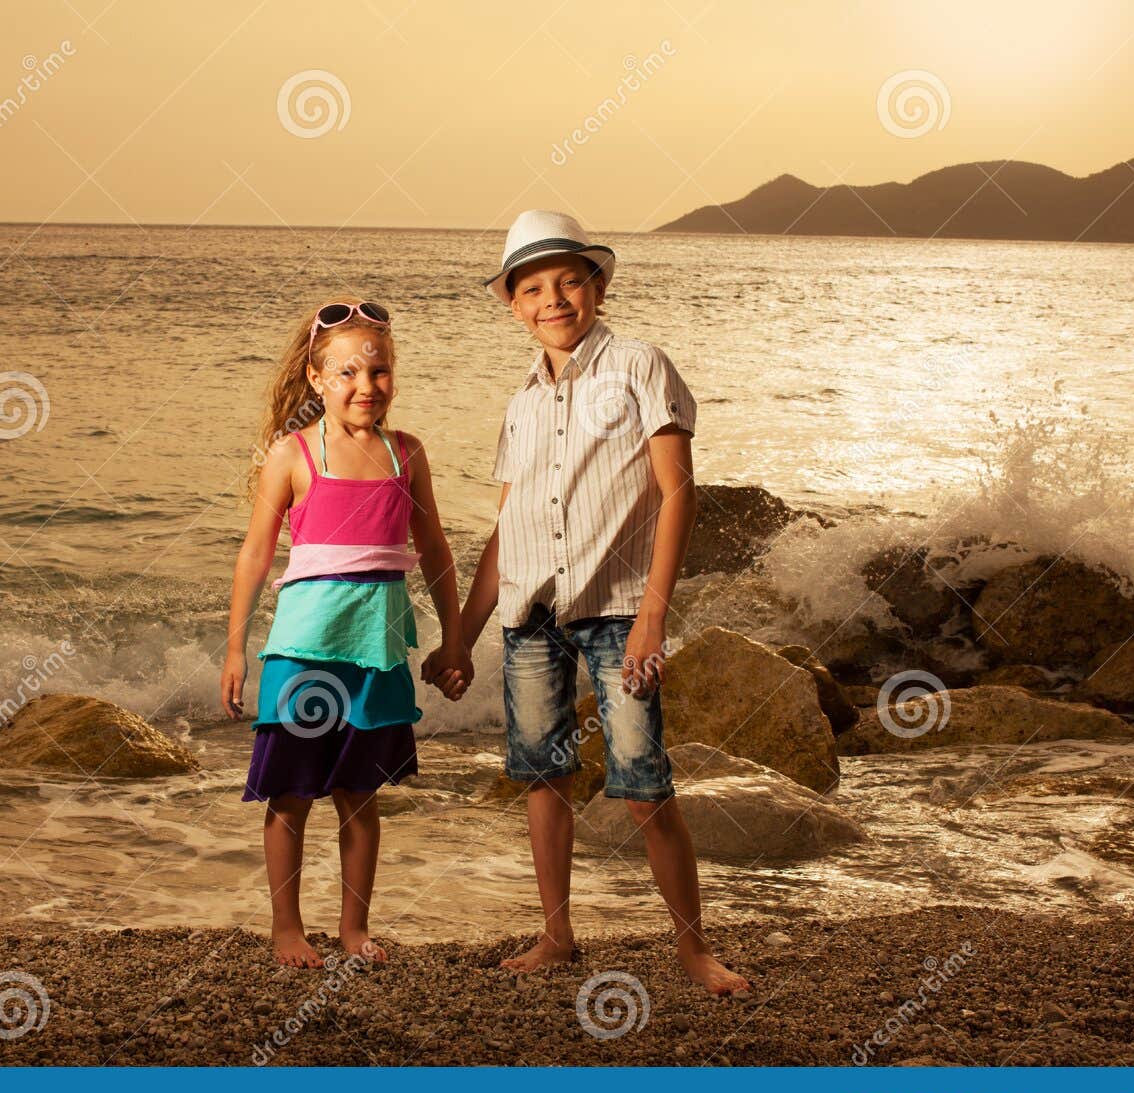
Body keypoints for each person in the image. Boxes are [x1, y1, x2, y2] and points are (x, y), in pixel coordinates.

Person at [429, 210, 751, 995]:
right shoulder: (521, 405)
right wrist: (462, 637)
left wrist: (652, 613)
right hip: (531, 620)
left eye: (569, 280)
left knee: (643, 782)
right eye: (532, 287)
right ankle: (557, 935)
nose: (553, 298)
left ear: (597, 285)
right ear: (513, 304)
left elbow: (679, 492)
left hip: (618, 609)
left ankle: (692, 949)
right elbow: (507, 531)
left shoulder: (641, 366)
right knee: (544, 778)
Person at [223, 297, 472, 968]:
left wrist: (454, 638)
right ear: (316, 378)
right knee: (290, 795)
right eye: (348, 373)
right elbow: (253, 554)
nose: (366, 386)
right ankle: (286, 929)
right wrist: (235, 650)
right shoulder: (294, 453)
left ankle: (354, 928)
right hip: (303, 654)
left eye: (380, 370)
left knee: (360, 798)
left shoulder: (407, 454)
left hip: (377, 653)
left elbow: (437, 551)